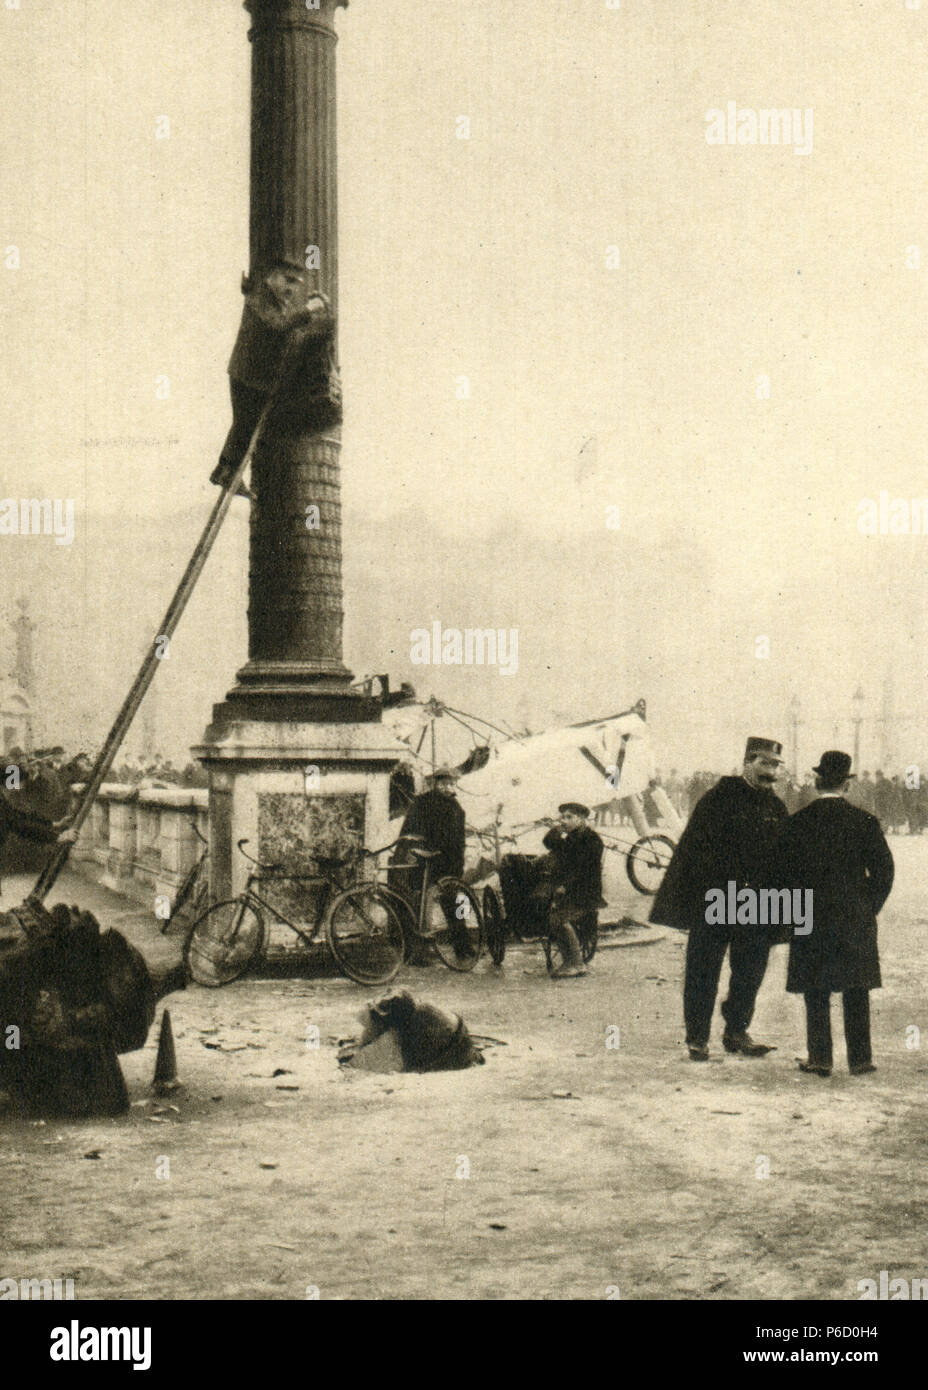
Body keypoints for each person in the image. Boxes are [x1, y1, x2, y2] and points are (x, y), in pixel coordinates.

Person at [650, 736, 788, 1060]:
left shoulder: (776, 806)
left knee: (751, 971)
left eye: (775, 765)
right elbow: (694, 851)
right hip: (717, 899)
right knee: (703, 970)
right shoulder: (718, 799)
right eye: (764, 763)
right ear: (747, 762)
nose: (771, 772)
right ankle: (697, 1038)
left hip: (757, 904)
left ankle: (737, 1032)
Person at [777, 751, 894, 1077]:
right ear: (847, 784)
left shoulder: (798, 822)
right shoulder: (865, 822)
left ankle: (820, 1059)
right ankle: (860, 1059)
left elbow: (782, 873)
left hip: (810, 916)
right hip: (853, 917)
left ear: (816, 783)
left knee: (816, 989)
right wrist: (868, 905)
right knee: (856, 987)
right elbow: (884, 871)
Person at [390, 767, 471, 962]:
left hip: (448, 863)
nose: (447, 786)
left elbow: (459, 841)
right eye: (442, 783)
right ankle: (417, 951)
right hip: (423, 860)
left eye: (450, 783)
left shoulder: (457, 807)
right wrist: (409, 851)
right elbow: (408, 830)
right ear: (435, 783)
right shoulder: (422, 803)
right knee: (418, 904)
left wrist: (458, 865)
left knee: (455, 903)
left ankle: (463, 946)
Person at [540, 803, 604, 978]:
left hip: (586, 892)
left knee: (559, 920)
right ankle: (568, 961)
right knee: (553, 919)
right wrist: (556, 828)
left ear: (582, 819)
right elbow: (549, 843)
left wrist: (565, 886)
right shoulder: (572, 837)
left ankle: (577, 963)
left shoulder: (592, 840)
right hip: (572, 891)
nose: (565, 820)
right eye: (563, 817)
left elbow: (582, 870)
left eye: (569, 817)